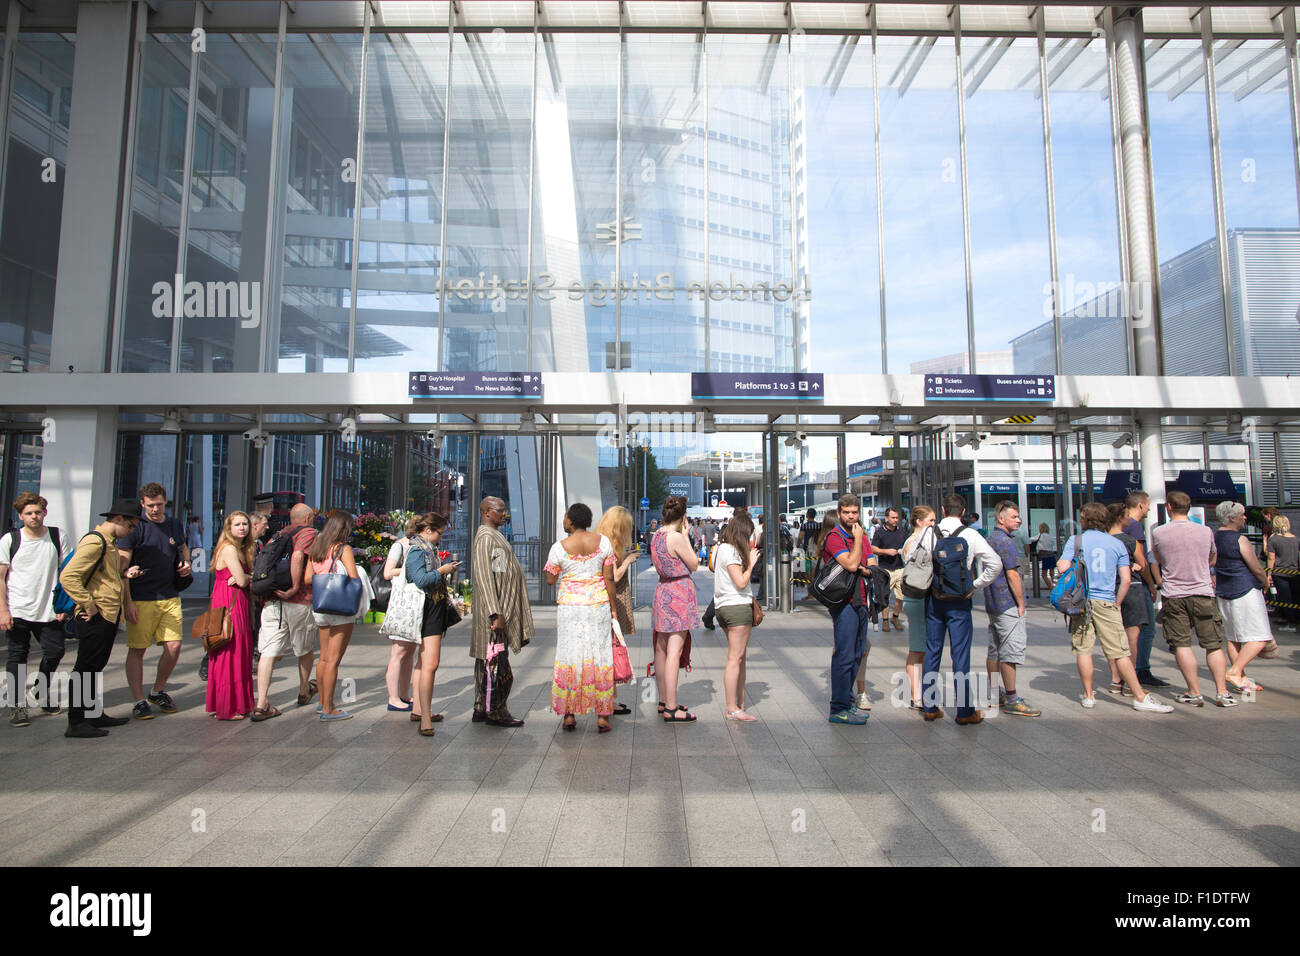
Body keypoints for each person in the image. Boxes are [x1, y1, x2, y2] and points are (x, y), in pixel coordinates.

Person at [1059, 503, 1172, 713]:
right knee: (1119, 650)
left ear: (1084, 519)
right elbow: (1126, 579)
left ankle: (1088, 695)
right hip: (1107, 600)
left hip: (1081, 602)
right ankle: (1139, 695)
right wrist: (1117, 602)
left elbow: (1063, 567)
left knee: (1084, 649)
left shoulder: (1076, 541)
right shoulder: (1117, 544)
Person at [59, 498, 143, 739]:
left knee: (94, 667)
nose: (131, 531)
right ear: (118, 519)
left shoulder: (109, 543)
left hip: (106, 615)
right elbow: (69, 576)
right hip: (96, 616)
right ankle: (76, 721)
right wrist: (88, 604)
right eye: (131, 526)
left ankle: (92, 713)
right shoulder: (95, 542)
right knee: (85, 668)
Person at [1149, 490, 1235, 708]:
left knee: (1181, 644)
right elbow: (1212, 558)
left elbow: (1158, 558)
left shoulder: (1159, 533)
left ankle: (1194, 692)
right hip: (1203, 592)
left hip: (1175, 594)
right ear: (1188, 508)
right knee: (1214, 644)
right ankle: (1222, 693)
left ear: (1169, 507)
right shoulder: (1205, 531)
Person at [921, 494, 1000, 726]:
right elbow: (995, 564)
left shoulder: (929, 533)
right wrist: (974, 585)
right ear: (963, 512)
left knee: (932, 651)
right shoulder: (970, 535)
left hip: (934, 600)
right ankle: (964, 711)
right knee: (960, 655)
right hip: (960, 602)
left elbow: (914, 560)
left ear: (943, 509)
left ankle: (930, 707)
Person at [118, 482, 191, 720]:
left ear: (165, 501)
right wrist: (127, 601)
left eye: (159, 504)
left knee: (174, 646)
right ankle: (139, 699)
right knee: (138, 649)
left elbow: (182, 547)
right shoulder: (136, 527)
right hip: (141, 598)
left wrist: (186, 563)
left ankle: (157, 690)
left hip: (169, 595)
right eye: (150, 505)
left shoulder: (173, 523)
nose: (155, 509)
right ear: (142, 504)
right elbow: (123, 566)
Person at [545, 504, 617, 733]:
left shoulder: (559, 547)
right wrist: (613, 609)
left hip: (570, 608)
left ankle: (569, 714)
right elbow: (609, 579)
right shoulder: (603, 542)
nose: (564, 520)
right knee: (600, 655)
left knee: (570, 655)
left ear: (571, 520)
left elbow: (550, 580)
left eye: (565, 517)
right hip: (597, 605)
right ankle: (603, 716)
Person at [1, 493, 71, 726]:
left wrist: (65, 604)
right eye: (29, 513)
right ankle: (17, 704)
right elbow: (1, 578)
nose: (34, 516)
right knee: (17, 655)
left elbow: (67, 572)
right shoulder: (10, 540)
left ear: (44, 513)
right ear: (20, 515)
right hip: (18, 608)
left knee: (55, 651)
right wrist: (3, 610)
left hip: (49, 609)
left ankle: (41, 691)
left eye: (38, 512)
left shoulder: (57, 536)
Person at [253, 503, 319, 720]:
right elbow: (299, 556)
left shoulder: (279, 533)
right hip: (298, 600)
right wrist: (293, 587)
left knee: (268, 651)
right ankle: (303, 689)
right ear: (309, 518)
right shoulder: (308, 533)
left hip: (272, 600)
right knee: (303, 648)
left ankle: (261, 702)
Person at [471, 497, 532, 727]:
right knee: (494, 661)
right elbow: (485, 577)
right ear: (486, 512)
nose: (504, 514)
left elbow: (498, 570)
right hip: (493, 615)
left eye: (505, 510)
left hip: (498, 610)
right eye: (500, 510)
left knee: (487, 658)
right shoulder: (486, 537)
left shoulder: (493, 536)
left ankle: (482, 706)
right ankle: (496, 710)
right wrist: (495, 613)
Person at [405, 512, 461, 737]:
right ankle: (425, 717)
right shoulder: (418, 550)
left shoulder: (424, 549)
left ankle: (420, 710)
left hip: (431, 608)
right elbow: (420, 580)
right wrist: (442, 571)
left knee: (423, 663)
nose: (440, 538)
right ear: (428, 530)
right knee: (430, 663)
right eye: (439, 533)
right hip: (428, 609)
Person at [823, 494, 877, 724]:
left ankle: (847, 700)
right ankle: (838, 708)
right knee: (844, 654)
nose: (851, 516)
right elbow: (853, 564)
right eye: (846, 512)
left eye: (854, 512)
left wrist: (864, 566)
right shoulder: (835, 537)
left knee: (857, 653)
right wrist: (857, 546)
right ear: (839, 513)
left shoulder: (861, 536)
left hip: (862, 600)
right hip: (844, 602)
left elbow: (872, 562)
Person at [984, 501, 1040, 717]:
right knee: (1009, 651)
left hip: (992, 601)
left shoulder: (991, 539)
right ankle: (1012, 698)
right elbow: (1012, 574)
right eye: (1014, 516)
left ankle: (993, 692)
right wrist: (1021, 603)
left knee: (994, 649)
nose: (1019, 520)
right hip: (1007, 603)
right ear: (1001, 518)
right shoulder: (1006, 542)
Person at [650, 495, 701, 722]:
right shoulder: (676, 536)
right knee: (674, 651)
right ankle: (671, 707)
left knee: (661, 649)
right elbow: (694, 564)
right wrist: (686, 535)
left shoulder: (657, 535)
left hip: (662, 591)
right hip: (679, 592)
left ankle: (663, 700)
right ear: (682, 516)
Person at [1213, 501, 1271, 694]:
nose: (1245, 517)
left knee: (1234, 637)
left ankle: (1242, 678)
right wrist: (1265, 582)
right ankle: (1235, 671)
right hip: (1245, 589)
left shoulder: (1214, 537)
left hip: (1224, 590)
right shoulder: (1240, 539)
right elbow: (1255, 566)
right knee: (1261, 636)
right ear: (1232, 518)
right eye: (1242, 514)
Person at [309, 510, 360, 721]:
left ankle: (322, 701)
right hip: (340, 607)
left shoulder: (317, 547)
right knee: (333, 660)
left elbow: (307, 577)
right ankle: (329, 709)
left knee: (322, 657)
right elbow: (353, 578)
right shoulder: (343, 549)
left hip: (320, 606)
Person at [206, 511, 256, 720]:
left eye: (245, 524)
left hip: (233, 600)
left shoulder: (238, 549)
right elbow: (242, 581)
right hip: (230, 603)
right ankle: (229, 707)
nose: (242, 527)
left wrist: (244, 577)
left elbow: (242, 579)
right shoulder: (229, 549)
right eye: (237, 524)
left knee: (232, 650)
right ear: (229, 528)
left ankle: (226, 703)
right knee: (231, 650)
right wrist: (248, 576)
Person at [713, 510, 761, 721]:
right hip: (736, 607)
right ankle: (732, 707)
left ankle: (739, 703)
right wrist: (750, 563)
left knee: (739, 657)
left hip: (723, 606)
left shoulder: (720, 548)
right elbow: (741, 582)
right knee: (735, 658)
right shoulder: (731, 551)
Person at [1122, 491, 1170, 687]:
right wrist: (1151, 585)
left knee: (1130, 631)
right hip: (1137, 584)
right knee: (1147, 629)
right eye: (1148, 504)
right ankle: (1141, 669)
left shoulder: (1121, 526)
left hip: (1123, 583)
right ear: (1140, 505)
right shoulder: (1135, 527)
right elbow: (1141, 560)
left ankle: (1128, 671)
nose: (1150, 508)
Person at [1106, 503, 1152, 696]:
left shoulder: (1102, 541)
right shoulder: (1129, 541)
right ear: (1121, 518)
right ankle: (1129, 681)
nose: (1129, 519)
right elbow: (1143, 564)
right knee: (1132, 637)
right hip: (1131, 590)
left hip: (1107, 590)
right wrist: (1150, 584)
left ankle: (1116, 679)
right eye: (1127, 516)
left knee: (1112, 638)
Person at [596, 505, 637, 716]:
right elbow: (613, 577)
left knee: (609, 650)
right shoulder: (608, 546)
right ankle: (608, 700)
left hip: (612, 600)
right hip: (613, 601)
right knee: (610, 651)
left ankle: (610, 698)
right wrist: (628, 560)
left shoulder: (603, 541)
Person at [381, 515, 421, 713]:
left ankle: (404, 694)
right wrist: (410, 568)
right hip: (401, 604)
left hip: (413, 604)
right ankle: (393, 697)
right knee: (398, 652)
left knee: (409, 652)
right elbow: (387, 572)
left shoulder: (417, 547)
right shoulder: (400, 546)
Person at [898, 506, 935, 710]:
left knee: (922, 647)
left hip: (920, 598)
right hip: (917, 597)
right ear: (919, 522)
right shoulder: (913, 543)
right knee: (918, 647)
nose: (933, 525)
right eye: (930, 520)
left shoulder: (922, 541)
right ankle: (916, 695)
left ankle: (919, 692)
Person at [871, 508, 907, 632]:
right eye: (893, 518)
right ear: (886, 518)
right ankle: (885, 620)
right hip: (885, 569)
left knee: (901, 596)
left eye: (897, 518)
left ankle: (895, 617)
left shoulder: (902, 531)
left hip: (899, 568)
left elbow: (908, 546)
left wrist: (904, 551)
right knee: (885, 596)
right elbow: (873, 548)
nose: (896, 520)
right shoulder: (880, 532)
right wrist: (886, 552)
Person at [1266, 515, 1298, 629]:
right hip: (1294, 572)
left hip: (1280, 573)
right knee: (1295, 597)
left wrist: (1268, 574)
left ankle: (1290, 622)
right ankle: (1295, 620)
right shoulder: (1295, 538)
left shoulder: (1273, 539)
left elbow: (1271, 558)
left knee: (1285, 598)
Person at [1033, 523, 1057, 591]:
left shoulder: (1040, 535)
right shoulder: (1050, 536)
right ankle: (1055, 588)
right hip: (1052, 555)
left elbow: (1031, 539)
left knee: (1044, 575)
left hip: (1045, 556)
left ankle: (1051, 588)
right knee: (1052, 574)